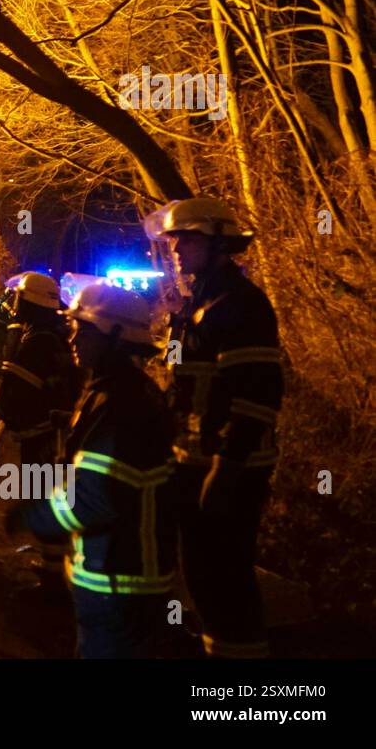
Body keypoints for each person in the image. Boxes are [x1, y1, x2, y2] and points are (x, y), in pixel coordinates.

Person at [146, 198, 283, 659]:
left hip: (231, 468)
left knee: (227, 578)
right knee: (203, 576)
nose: (177, 248)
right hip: (193, 461)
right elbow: (182, 385)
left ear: (220, 242)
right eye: (174, 240)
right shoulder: (197, 304)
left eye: (188, 238)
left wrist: (225, 469)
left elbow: (258, 397)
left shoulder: (243, 305)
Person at [8, 284, 177, 657]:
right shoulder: (121, 391)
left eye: (82, 330)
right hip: (125, 578)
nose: (72, 339)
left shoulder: (121, 405)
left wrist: (32, 515)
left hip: (119, 583)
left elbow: (94, 499)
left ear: (115, 336)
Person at [0, 271, 82, 581]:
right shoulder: (55, 335)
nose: (12, 304)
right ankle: (54, 565)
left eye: (17, 298)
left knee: (44, 497)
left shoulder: (36, 342)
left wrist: (7, 414)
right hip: (52, 433)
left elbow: (14, 391)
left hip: (40, 435)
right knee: (52, 494)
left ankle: (53, 577)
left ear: (28, 302)